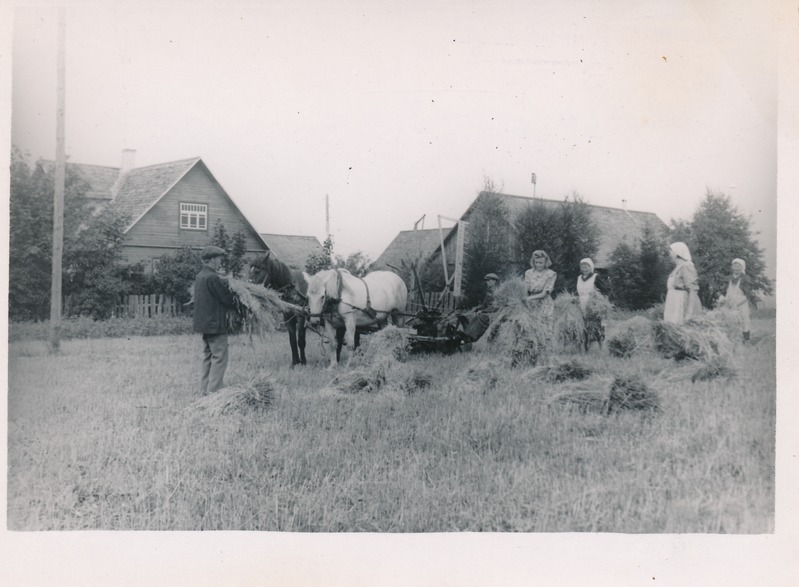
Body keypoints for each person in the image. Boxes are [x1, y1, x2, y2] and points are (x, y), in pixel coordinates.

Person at [193, 245, 236, 394]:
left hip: (204, 325)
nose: (220, 262)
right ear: (211, 260)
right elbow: (227, 299)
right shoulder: (212, 277)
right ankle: (214, 391)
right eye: (218, 259)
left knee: (208, 356)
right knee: (219, 357)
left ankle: (204, 389)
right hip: (215, 325)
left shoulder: (200, 276)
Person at [572, 257, 610, 351]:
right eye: (583, 267)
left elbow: (605, 289)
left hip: (592, 305)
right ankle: (585, 348)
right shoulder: (578, 278)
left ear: (591, 267)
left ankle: (601, 347)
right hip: (581, 304)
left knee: (597, 326)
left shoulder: (595, 277)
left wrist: (599, 300)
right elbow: (576, 291)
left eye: (586, 267)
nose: (584, 269)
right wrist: (574, 298)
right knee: (583, 326)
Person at [664, 242, 701, 325]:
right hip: (673, 303)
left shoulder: (687, 266)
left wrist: (689, 313)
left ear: (677, 252)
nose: (669, 254)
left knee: (680, 327)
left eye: (671, 251)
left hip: (681, 303)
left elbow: (693, 289)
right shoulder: (677, 267)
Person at [718, 258, 755, 342]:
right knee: (728, 321)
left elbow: (748, 294)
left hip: (742, 303)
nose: (736, 267)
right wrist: (722, 297)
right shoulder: (727, 278)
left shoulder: (746, 279)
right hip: (729, 303)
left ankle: (746, 340)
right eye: (735, 265)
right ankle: (730, 340)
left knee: (744, 321)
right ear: (732, 267)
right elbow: (722, 291)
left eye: (739, 266)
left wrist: (738, 303)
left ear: (742, 268)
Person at [524, 250, 557, 343]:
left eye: (541, 263)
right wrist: (524, 299)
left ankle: (546, 352)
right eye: (536, 262)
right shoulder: (528, 273)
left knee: (546, 329)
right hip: (531, 304)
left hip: (544, 304)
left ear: (546, 262)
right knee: (531, 328)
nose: (538, 265)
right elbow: (525, 288)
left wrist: (529, 298)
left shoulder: (551, 274)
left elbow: (545, 293)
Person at [464, 273, 501, 341]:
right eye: (487, 281)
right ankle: (466, 334)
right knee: (475, 318)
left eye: (489, 281)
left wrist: (483, 311)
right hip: (488, 311)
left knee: (482, 316)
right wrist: (477, 308)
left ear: (494, 281)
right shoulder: (488, 292)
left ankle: (473, 336)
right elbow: (484, 304)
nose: (487, 283)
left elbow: (496, 307)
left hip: (495, 313)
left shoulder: (499, 292)